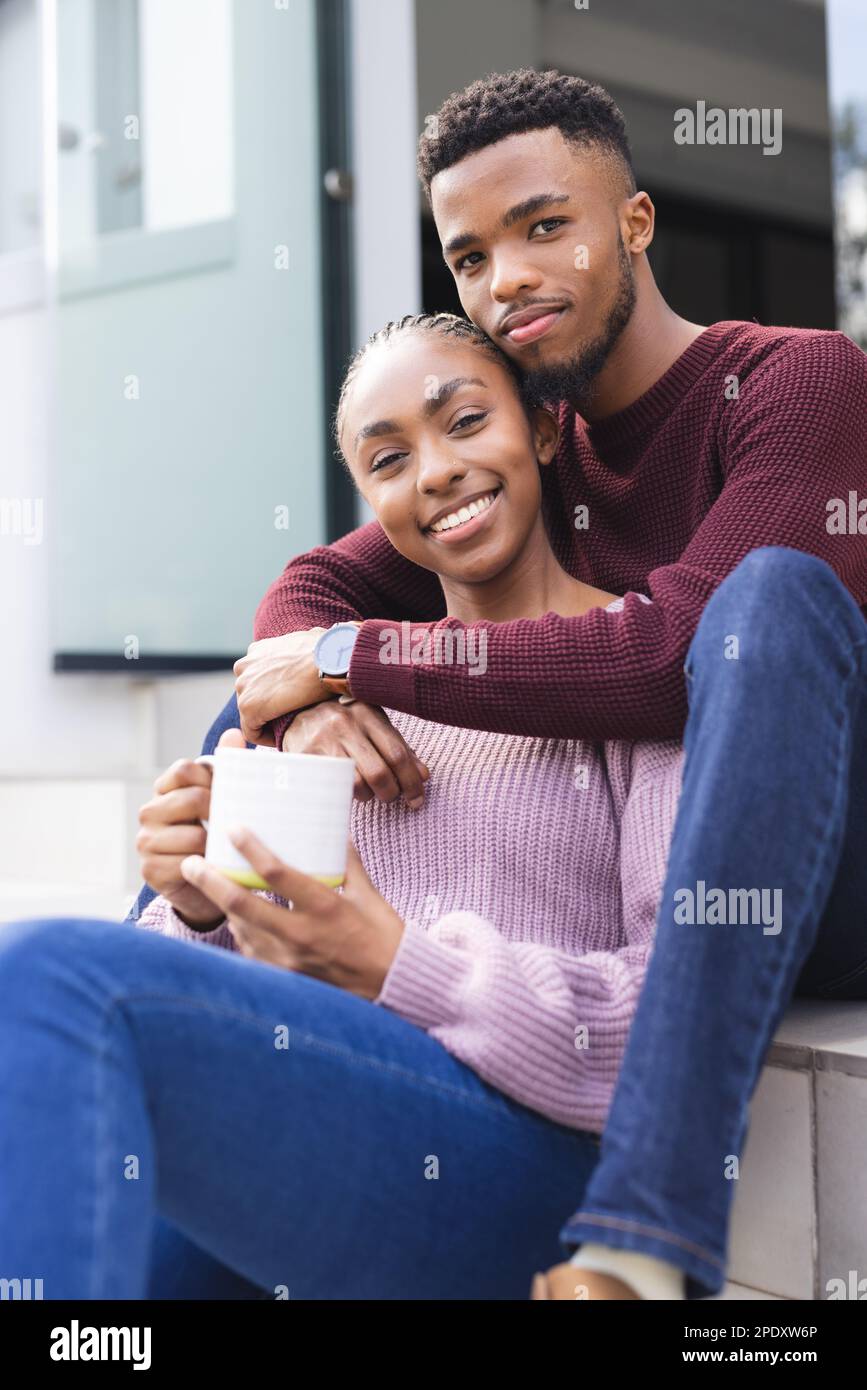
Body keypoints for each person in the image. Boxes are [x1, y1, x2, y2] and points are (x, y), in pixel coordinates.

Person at [233, 69, 867, 1300]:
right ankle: (187, 966)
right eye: (470, 258)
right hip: (675, 879)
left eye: (543, 227)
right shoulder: (527, 447)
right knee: (254, 703)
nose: (506, 278)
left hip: (836, 860)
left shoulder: (802, 380)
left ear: (632, 223)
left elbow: (664, 656)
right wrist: (309, 696)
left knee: (767, 601)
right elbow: (308, 593)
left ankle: (644, 1239)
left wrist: (348, 657)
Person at [0, 313, 685, 1301]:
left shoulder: (637, 676)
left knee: (46, 981)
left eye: (463, 420)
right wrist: (196, 906)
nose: (437, 470)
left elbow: (666, 1020)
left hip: (526, 1163)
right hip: (331, 1126)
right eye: (390, 457)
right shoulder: (336, 703)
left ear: (542, 428)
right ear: (370, 502)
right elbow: (266, 959)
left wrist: (397, 960)